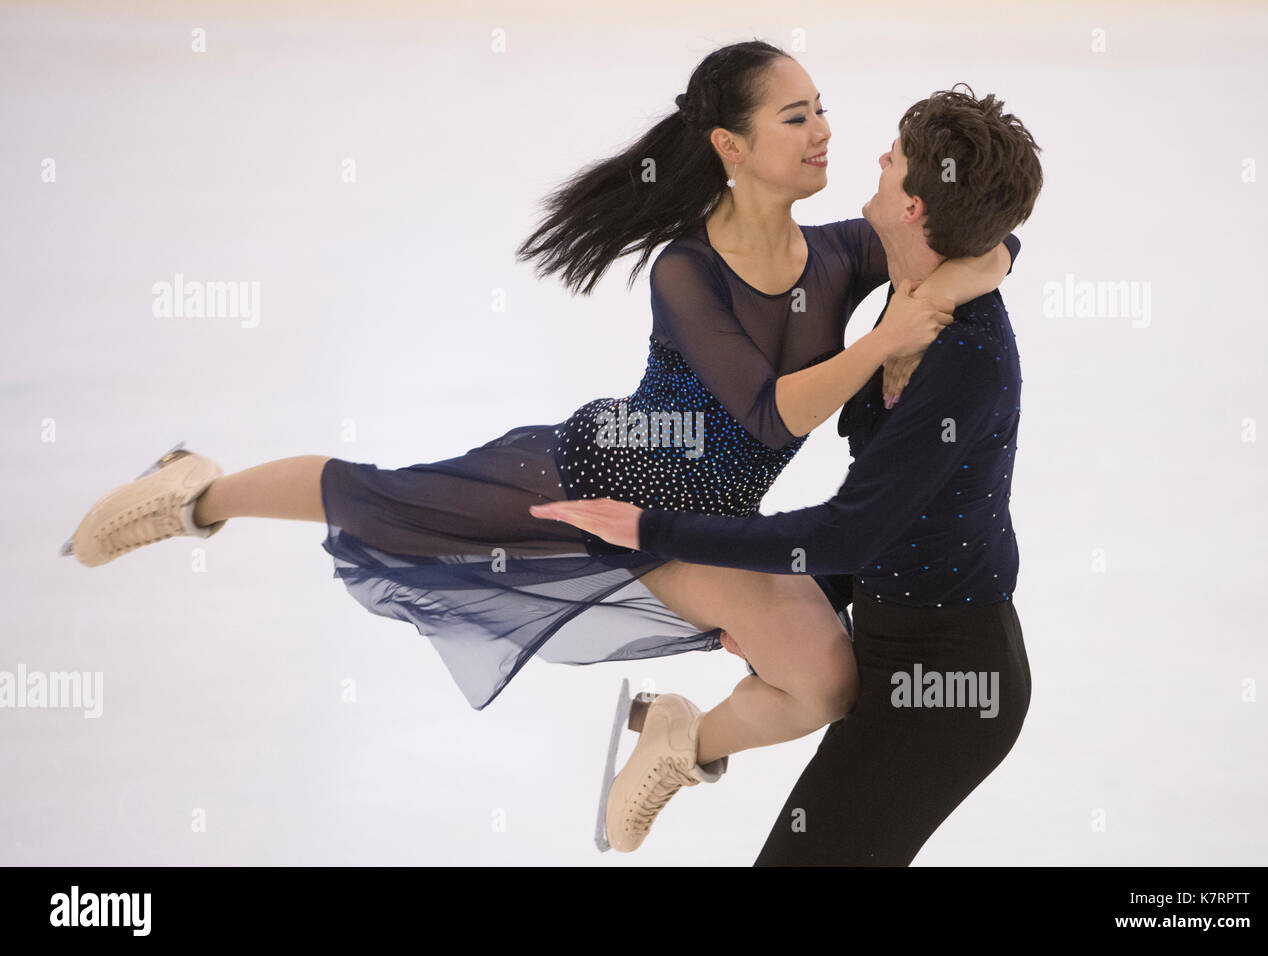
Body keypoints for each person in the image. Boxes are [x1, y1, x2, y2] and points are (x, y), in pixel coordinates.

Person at [61, 43, 1017, 855]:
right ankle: (196, 492)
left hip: (692, 524)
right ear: (731, 146)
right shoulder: (687, 270)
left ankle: (678, 739)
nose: (825, 134)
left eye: (822, 112)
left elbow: (976, 233)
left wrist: (987, 262)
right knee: (383, 500)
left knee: (824, 683)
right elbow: (771, 418)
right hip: (597, 473)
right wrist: (887, 339)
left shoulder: (843, 253)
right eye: (797, 118)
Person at [533, 85, 1043, 864]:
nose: (877, 158)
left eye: (896, 159)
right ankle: (680, 737)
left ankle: (682, 739)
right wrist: (802, 614)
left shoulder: (965, 360)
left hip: (948, 695)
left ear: (913, 209)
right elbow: (893, 520)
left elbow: (853, 526)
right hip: (886, 639)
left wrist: (654, 529)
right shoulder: (914, 294)